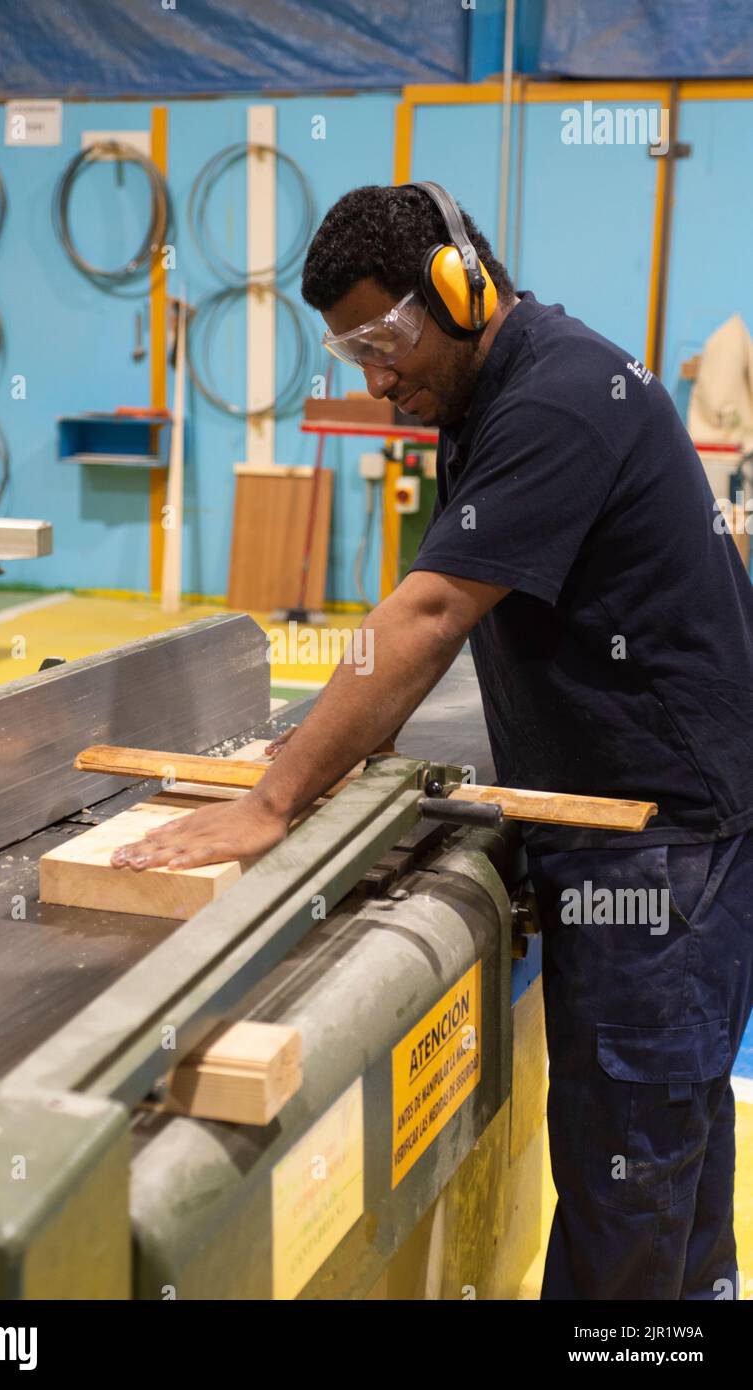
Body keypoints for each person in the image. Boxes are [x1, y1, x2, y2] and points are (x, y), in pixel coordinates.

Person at [112, 181, 753, 1300]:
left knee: (628, 1160)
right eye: (351, 349)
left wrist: (276, 800)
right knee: (671, 1137)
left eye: (385, 337)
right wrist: (328, 743)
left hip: (659, 839)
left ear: (460, 289)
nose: (374, 374)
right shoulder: (502, 394)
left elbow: (425, 615)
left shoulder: (555, 399)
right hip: (660, 811)